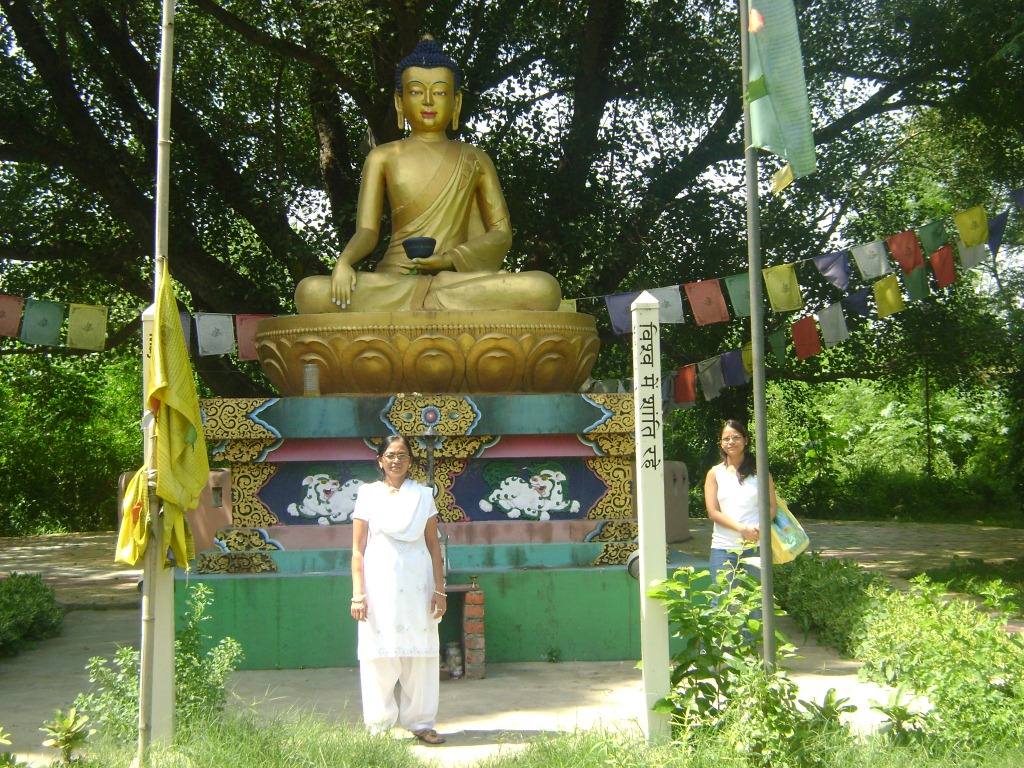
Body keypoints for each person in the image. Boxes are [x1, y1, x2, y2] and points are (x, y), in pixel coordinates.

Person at [295, 36, 561, 314]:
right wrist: (344, 263)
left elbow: (501, 234)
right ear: (399, 102)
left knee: (543, 288)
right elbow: (368, 231)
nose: (428, 101)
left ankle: (426, 304)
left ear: (456, 102)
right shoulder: (383, 156)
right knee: (310, 292)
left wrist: (447, 260)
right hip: (396, 279)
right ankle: (432, 306)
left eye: (440, 92)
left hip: (454, 279)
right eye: (416, 92)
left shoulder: (474, 158)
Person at [350, 434, 448, 744]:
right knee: (379, 655)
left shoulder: (423, 495)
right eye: (391, 454)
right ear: (380, 460)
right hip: (379, 583)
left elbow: (434, 545)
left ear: (410, 461)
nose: (396, 460)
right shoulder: (367, 495)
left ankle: (420, 722)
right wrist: (358, 593)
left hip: (418, 583)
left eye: (402, 455)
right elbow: (357, 549)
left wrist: (440, 589)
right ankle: (379, 727)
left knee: (420, 655)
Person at [703, 419, 777, 601]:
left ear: (746, 440)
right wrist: (742, 529)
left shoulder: (760, 472)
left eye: (736, 437)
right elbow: (713, 512)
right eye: (726, 438)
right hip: (723, 548)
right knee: (722, 602)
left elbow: (771, 506)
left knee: (755, 604)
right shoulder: (714, 473)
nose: (731, 442)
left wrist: (759, 528)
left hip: (756, 547)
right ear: (721, 443)